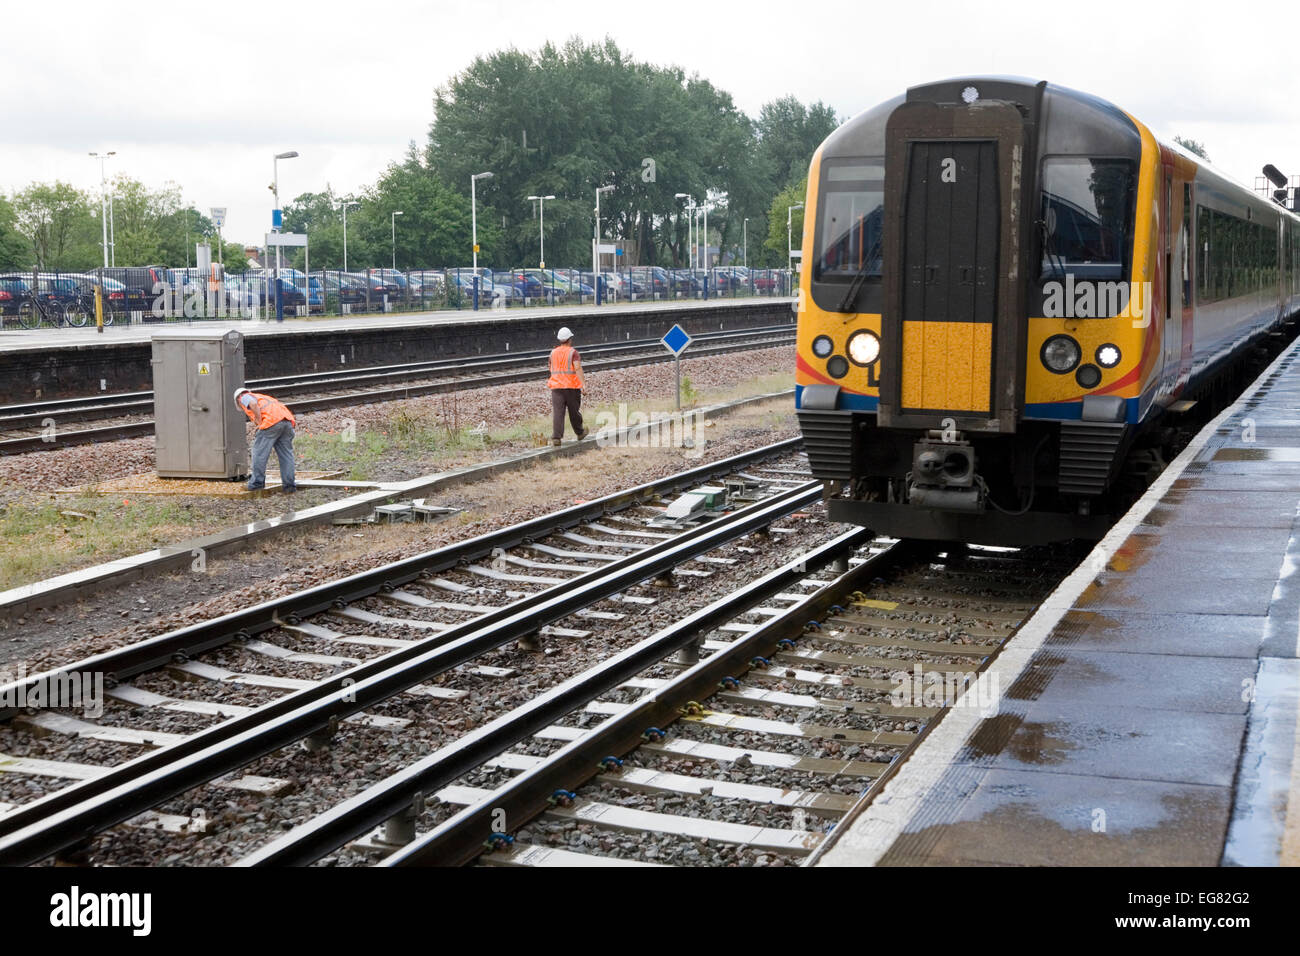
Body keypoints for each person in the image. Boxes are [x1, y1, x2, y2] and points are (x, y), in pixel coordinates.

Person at [233, 387, 297, 492]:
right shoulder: (262, 397)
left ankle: (256, 483)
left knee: (258, 453)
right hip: (287, 422)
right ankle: (289, 486)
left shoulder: (243, 397)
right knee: (286, 455)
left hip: (271, 423)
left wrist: (259, 423)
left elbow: (252, 405)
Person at [547, 326, 588, 446]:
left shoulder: (552, 353)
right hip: (571, 387)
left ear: (560, 340)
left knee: (558, 413)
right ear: (570, 339)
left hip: (556, 387)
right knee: (574, 411)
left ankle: (556, 437)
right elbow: (578, 368)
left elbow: (550, 367)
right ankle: (580, 433)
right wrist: (583, 384)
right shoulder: (573, 352)